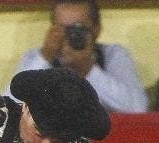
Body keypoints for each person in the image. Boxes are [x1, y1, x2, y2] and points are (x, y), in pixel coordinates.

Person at [10, 0, 148, 113]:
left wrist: (87, 70)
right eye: (61, 29)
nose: (69, 36)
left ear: (96, 29)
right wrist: (45, 58)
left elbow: (137, 108)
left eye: (77, 29)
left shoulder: (112, 55)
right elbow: (8, 107)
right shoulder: (37, 57)